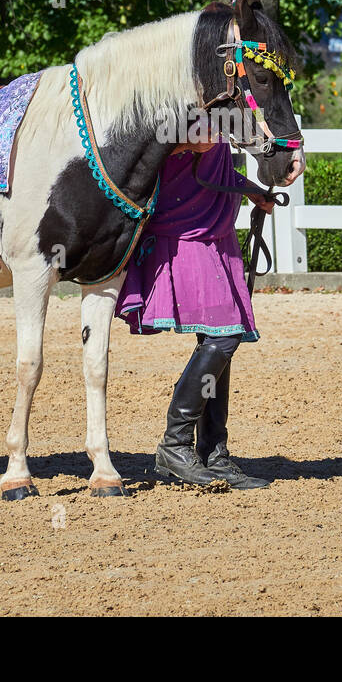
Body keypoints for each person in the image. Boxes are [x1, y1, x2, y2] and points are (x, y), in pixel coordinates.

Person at [117, 136, 274, 489]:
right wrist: (181, 144)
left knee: (219, 340)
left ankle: (213, 452)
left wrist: (248, 187)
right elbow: (142, 150)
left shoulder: (217, 101)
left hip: (215, 229)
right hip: (184, 230)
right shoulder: (173, 99)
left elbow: (213, 162)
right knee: (225, 335)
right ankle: (176, 445)